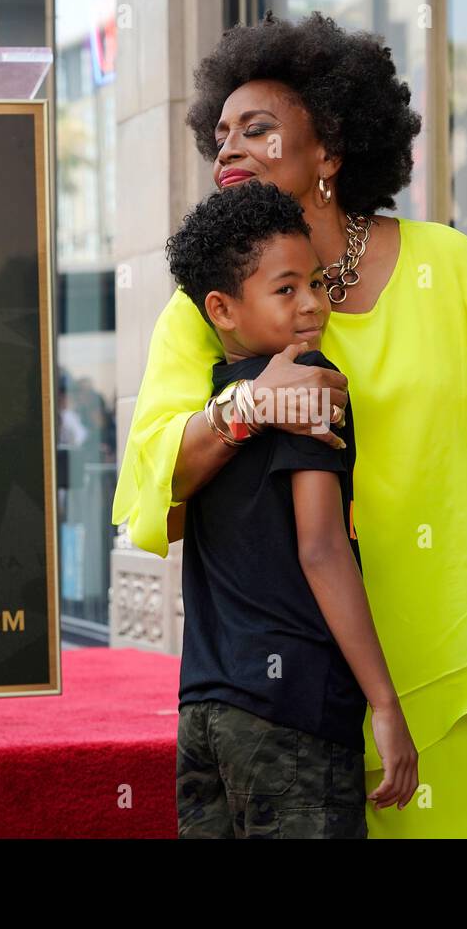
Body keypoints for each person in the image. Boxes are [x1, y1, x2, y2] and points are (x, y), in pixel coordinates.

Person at [113, 12, 467, 838]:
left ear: (332, 151)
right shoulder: (210, 307)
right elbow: (157, 472)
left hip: (442, 644)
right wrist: (248, 403)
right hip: (293, 681)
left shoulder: (446, 265)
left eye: (259, 129)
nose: (228, 150)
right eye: (221, 134)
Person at [167, 179, 417, 838]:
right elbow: (322, 547)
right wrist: (385, 703)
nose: (313, 304)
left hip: (203, 712)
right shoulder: (311, 384)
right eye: (286, 289)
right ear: (221, 309)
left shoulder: (210, 409)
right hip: (293, 712)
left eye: (316, 282)